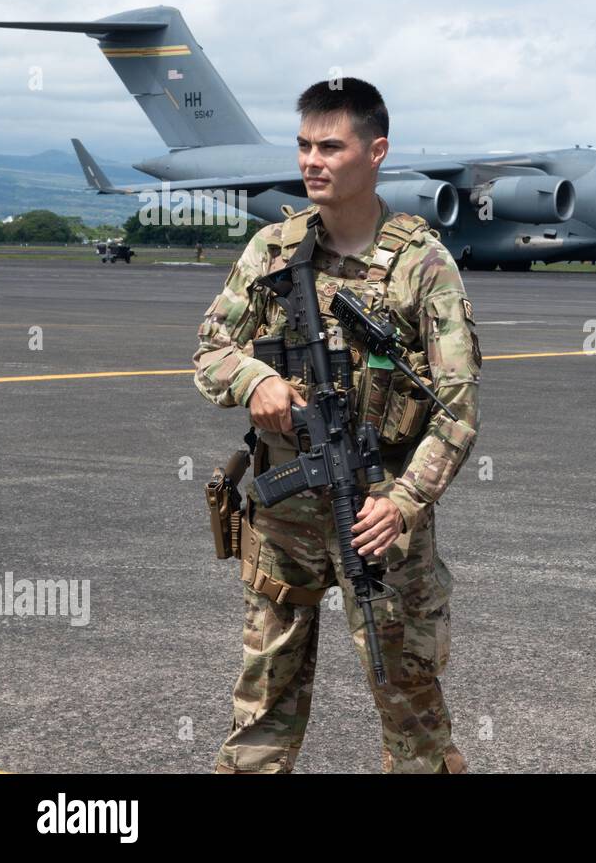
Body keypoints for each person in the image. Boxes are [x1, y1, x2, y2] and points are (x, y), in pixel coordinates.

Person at [193, 78, 481, 773]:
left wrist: (404, 502)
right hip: (283, 512)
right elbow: (209, 351)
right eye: (303, 145)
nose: (312, 160)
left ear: (376, 151)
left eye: (331, 145)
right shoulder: (272, 249)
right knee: (263, 697)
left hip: (376, 511)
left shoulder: (422, 265)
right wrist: (255, 379)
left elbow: (458, 408)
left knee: (408, 696)